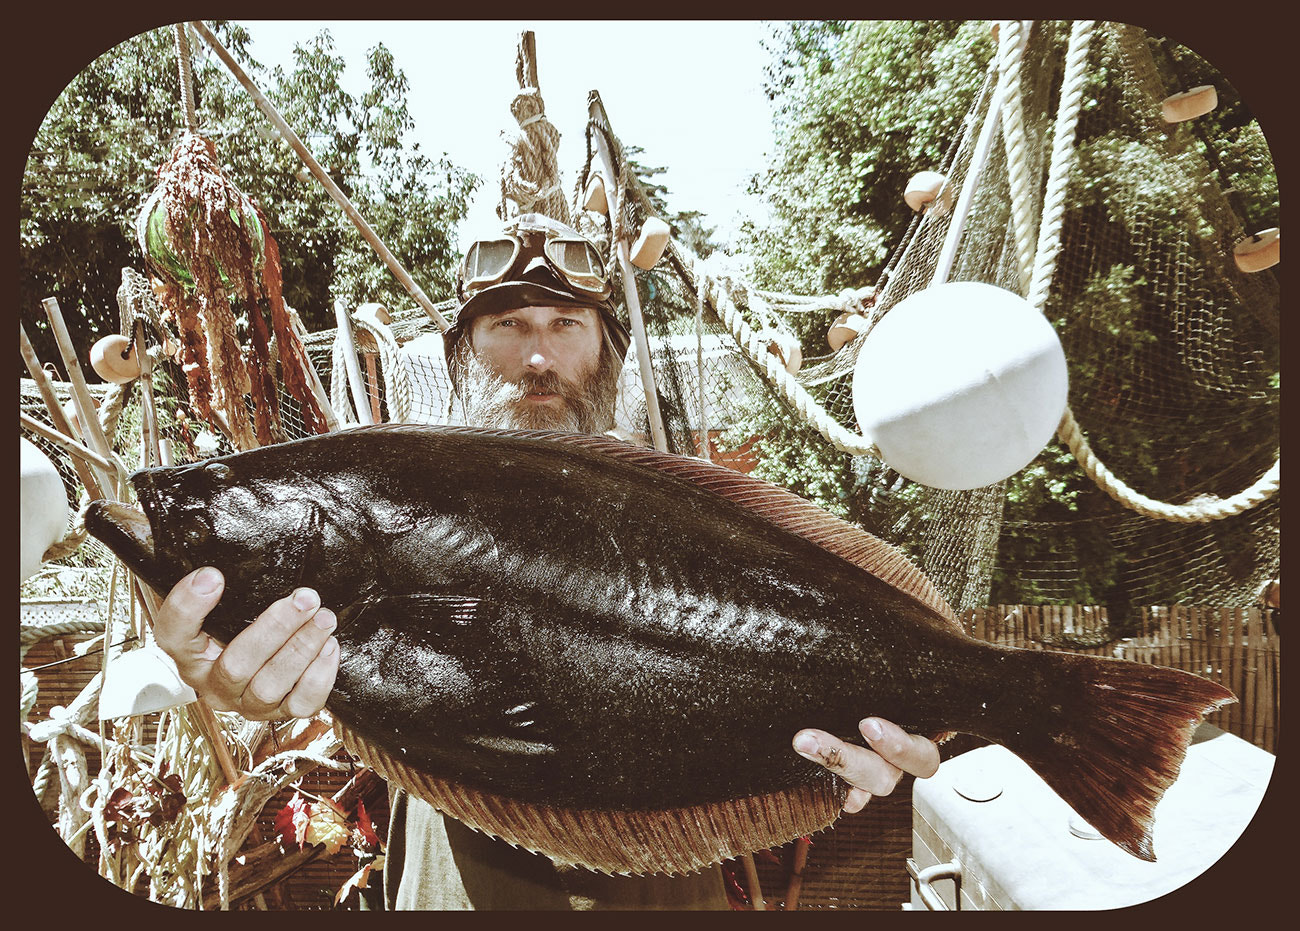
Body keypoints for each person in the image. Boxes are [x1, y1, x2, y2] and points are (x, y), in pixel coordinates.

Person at [152, 214, 941, 910]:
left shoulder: (701, 523)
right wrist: (233, 673)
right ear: (461, 356)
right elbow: (317, 682)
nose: (538, 357)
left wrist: (859, 754)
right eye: (507, 325)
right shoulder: (387, 496)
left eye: (566, 323)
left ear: (608, 351)